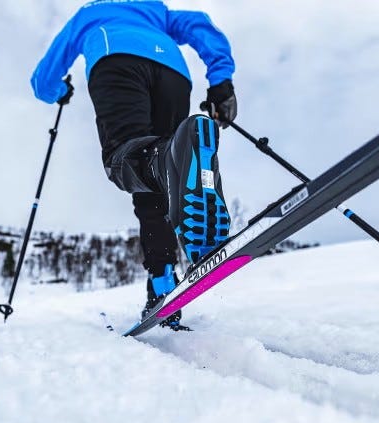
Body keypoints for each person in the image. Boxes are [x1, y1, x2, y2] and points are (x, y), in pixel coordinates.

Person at [31, 0, 237, 329]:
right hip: (174, 72)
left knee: (125, 158)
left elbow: (43, 82)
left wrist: (59, 89)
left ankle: (163, 278)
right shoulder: (154, 10)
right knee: (162, 178)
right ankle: (162, 285)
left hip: (117, 61)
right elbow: (199, 25)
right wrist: (221, 82)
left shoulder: (90, 14)